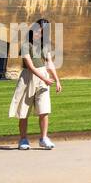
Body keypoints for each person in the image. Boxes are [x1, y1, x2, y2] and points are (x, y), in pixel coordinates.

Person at [9, 19, 61, 150]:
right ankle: (23, 139)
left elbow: (49, 62)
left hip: (43, 77)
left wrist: (57, 80)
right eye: (38, 30)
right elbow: (30, 66)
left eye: (42, 31)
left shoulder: (45, 45)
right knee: (23, 112)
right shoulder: (26, 45)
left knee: (44, 110)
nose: (39, 33)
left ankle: (43, 138)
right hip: (28, 77)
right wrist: (45, 78)